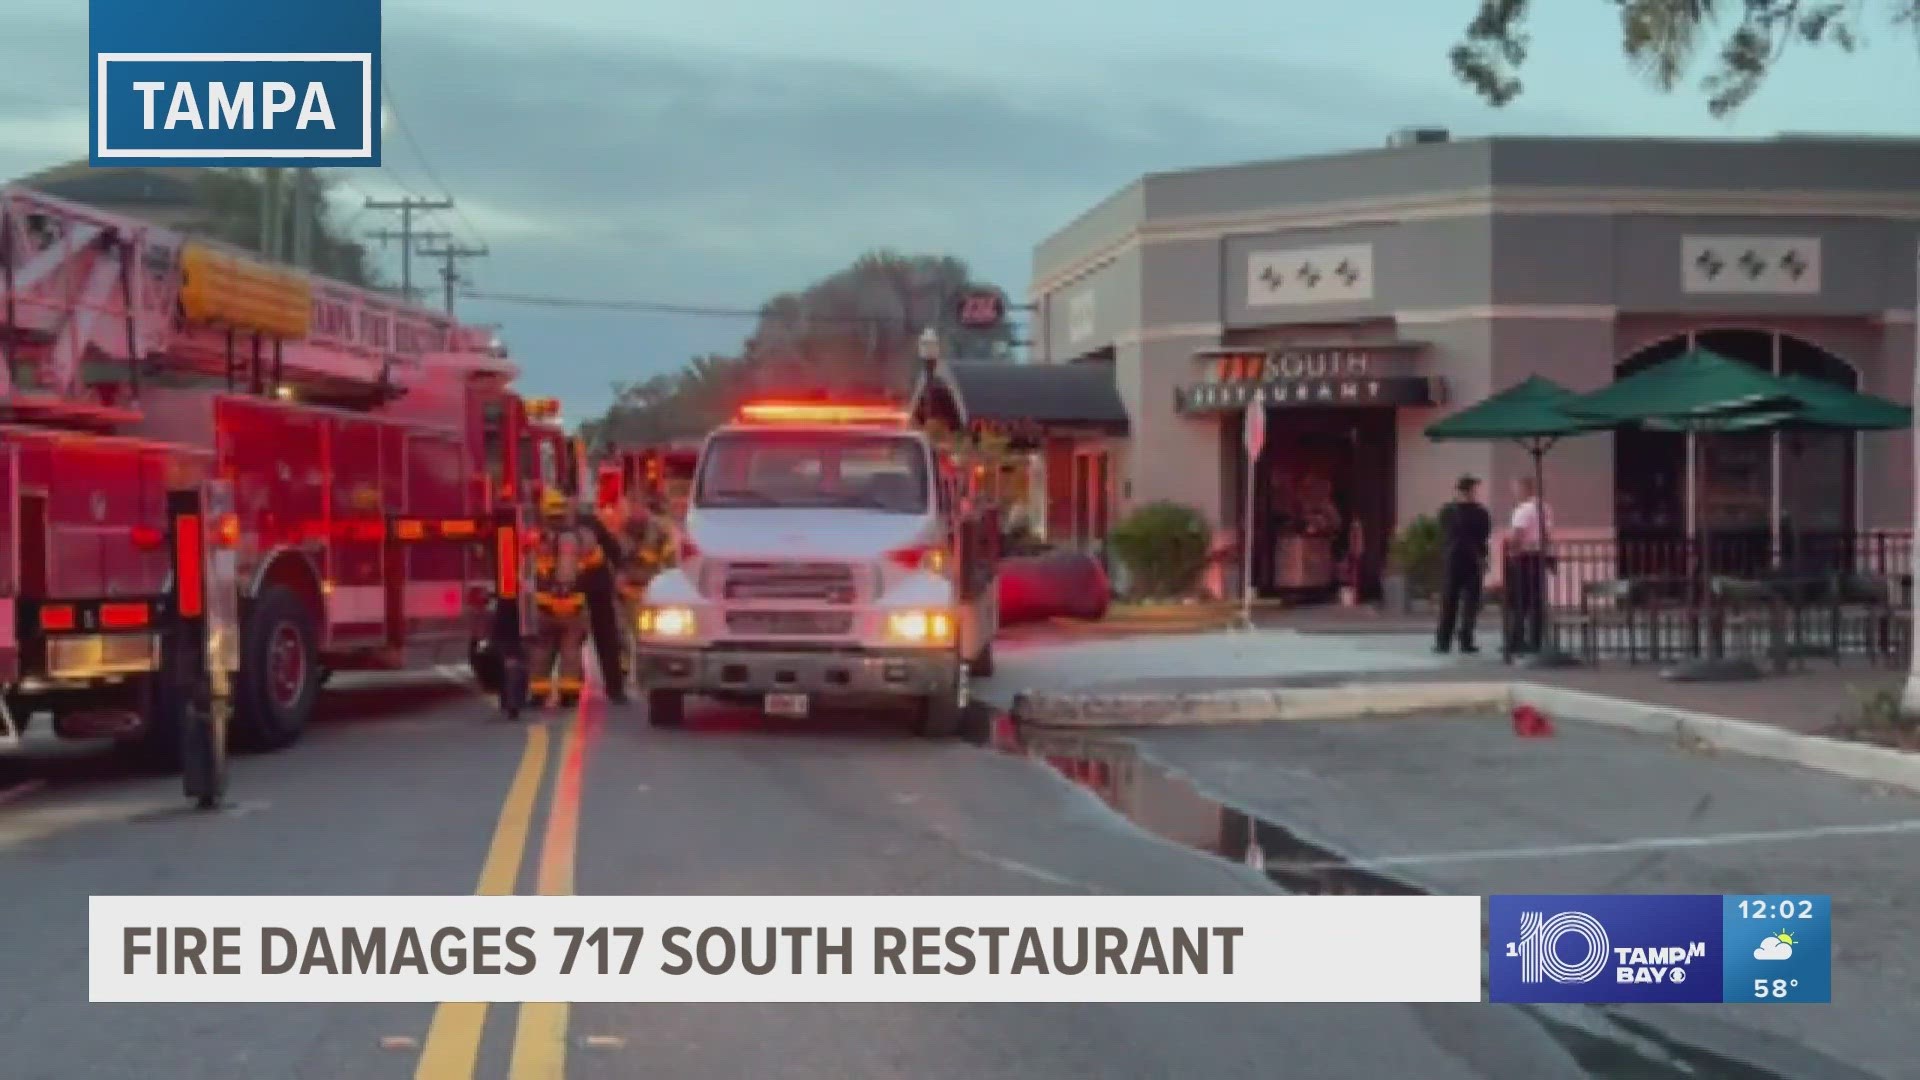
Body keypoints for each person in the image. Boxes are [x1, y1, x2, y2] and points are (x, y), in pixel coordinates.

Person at [529, 489, 594, 708]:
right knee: (570, 649)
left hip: (544, 605)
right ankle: (568, 693)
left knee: (542, 649)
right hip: (572, 606)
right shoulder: (576, 537)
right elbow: (590, 562)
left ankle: (539, 693)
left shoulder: (537, 537)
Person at [580, 495, 632, 704]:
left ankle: (569, 691)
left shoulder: (550, 527)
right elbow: (615, 551)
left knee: (569, 640)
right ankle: (615, 689)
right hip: (598, 587)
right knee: (606, 638)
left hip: (569, 590)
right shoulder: (591, 522)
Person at [1434, 474, 1492, 655]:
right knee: (1456, 602)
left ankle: (1452, 641)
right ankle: (1453, 641)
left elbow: (1445, 533)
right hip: (1464, 559)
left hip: (1463, 559)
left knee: (1463, 603)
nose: (1471, 494)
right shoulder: (1473, 512)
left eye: (1473, 491)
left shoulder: (1452, 511)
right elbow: (1483, 535)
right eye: (1471, 490)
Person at [1505, 474, 1554, 657]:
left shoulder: (1523, 509)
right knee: (1536, 600)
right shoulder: (1545, 508)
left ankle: (1516, 639)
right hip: (1538, 556)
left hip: (1523, 557)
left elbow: (1517, 534)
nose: (1515, 493)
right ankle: (1536, 639)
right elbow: (1547, 534)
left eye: (1516, 489)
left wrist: (1511, 551)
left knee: (1519, 601)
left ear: (1525, 488)